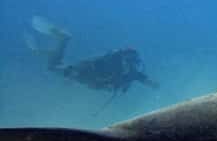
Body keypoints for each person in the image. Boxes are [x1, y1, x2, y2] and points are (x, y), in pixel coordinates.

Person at [27, 16, 159, 94]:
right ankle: (63, 40)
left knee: (55, 65)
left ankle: (57, 46)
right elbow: (94, 65)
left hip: (83, 75)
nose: (128, 64)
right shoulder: (124, 68)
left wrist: (155, 85)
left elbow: (146, 80)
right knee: (52, 67)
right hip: (82, 73)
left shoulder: (130, 71)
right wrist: (74, 73)